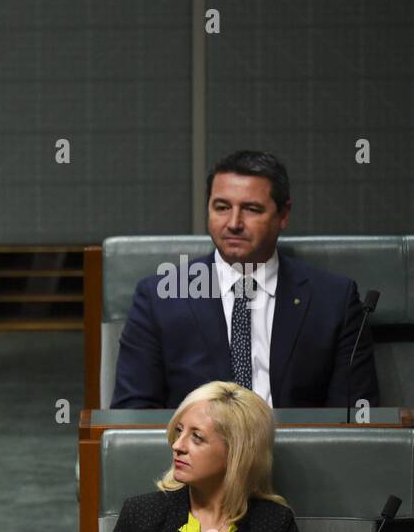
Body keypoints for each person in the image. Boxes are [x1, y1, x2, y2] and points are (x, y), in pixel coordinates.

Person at [111, 150, 379, 409]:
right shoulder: (160, 296)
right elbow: (133, 412)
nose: (234, 223)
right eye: (222, 207)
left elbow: (353, 415)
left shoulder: (334, 299)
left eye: (251, 209)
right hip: (197, 451)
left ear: (283, 215)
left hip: (298, 451)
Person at [96, 381, 306, 532]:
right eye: (179, 431)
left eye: (196, 437)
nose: (177, 445)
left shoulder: (274, 524)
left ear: (236, 452)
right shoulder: (141, 515)